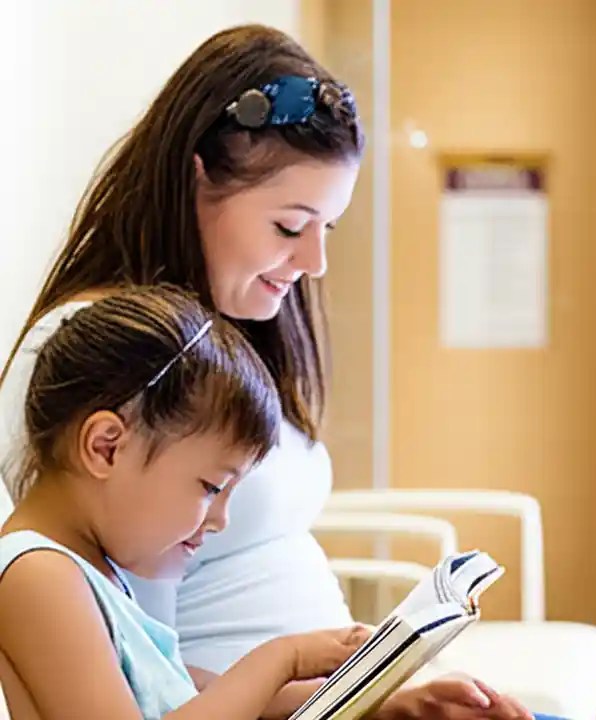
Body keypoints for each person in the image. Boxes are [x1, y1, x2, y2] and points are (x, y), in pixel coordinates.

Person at [0, 25, 529, 720]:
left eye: (326, 229)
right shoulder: (110, 374)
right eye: (289, 227)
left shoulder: (215, 347)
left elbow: (165, 680)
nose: (315, 263)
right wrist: (286, 662)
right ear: (196, 180)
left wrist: (379, 698)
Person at [0, 287, 380, 719]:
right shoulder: (37, 574)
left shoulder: (92, 573)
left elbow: (181, 696)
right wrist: (282, 658)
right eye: (211, 487)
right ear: (106, 447)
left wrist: (378, 702)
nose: (221, 519)